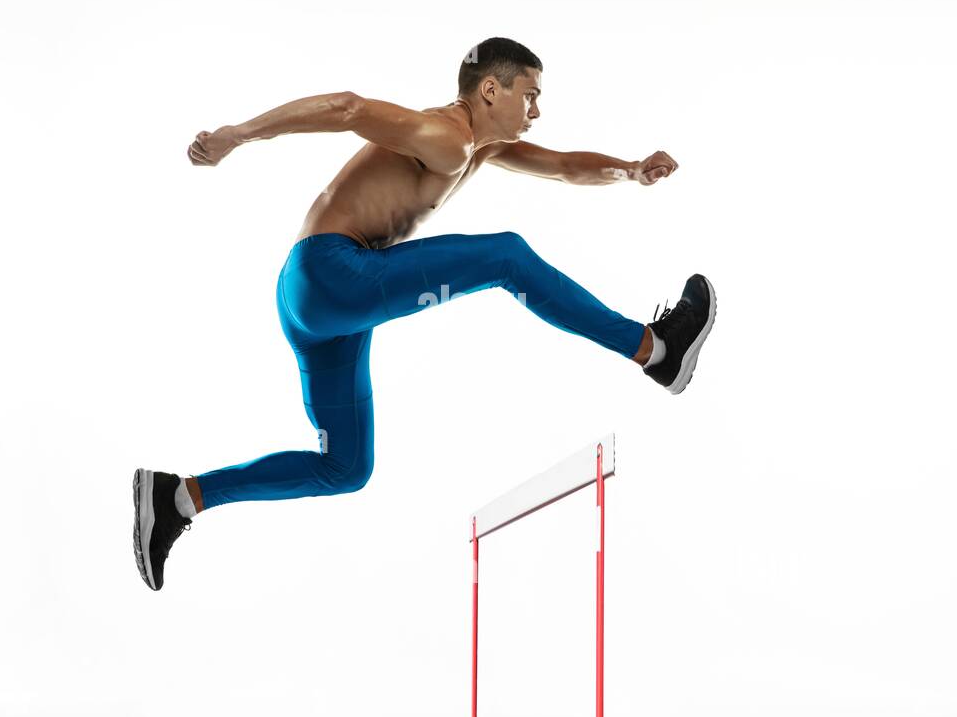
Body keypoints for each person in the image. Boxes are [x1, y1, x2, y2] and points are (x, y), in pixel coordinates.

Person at [134, 37, 716, 591]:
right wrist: (238, 135)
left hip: (315, 298)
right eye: (530, 94)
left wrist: (631, 169)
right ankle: (656, 350)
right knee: (506, 256)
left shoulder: (483, 147)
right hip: (333, 274)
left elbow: (564, 165)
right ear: (490, 90)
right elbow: (347, 107)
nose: (538, 108)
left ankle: (179, 498)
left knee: (345, 468)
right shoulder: (447, 135)